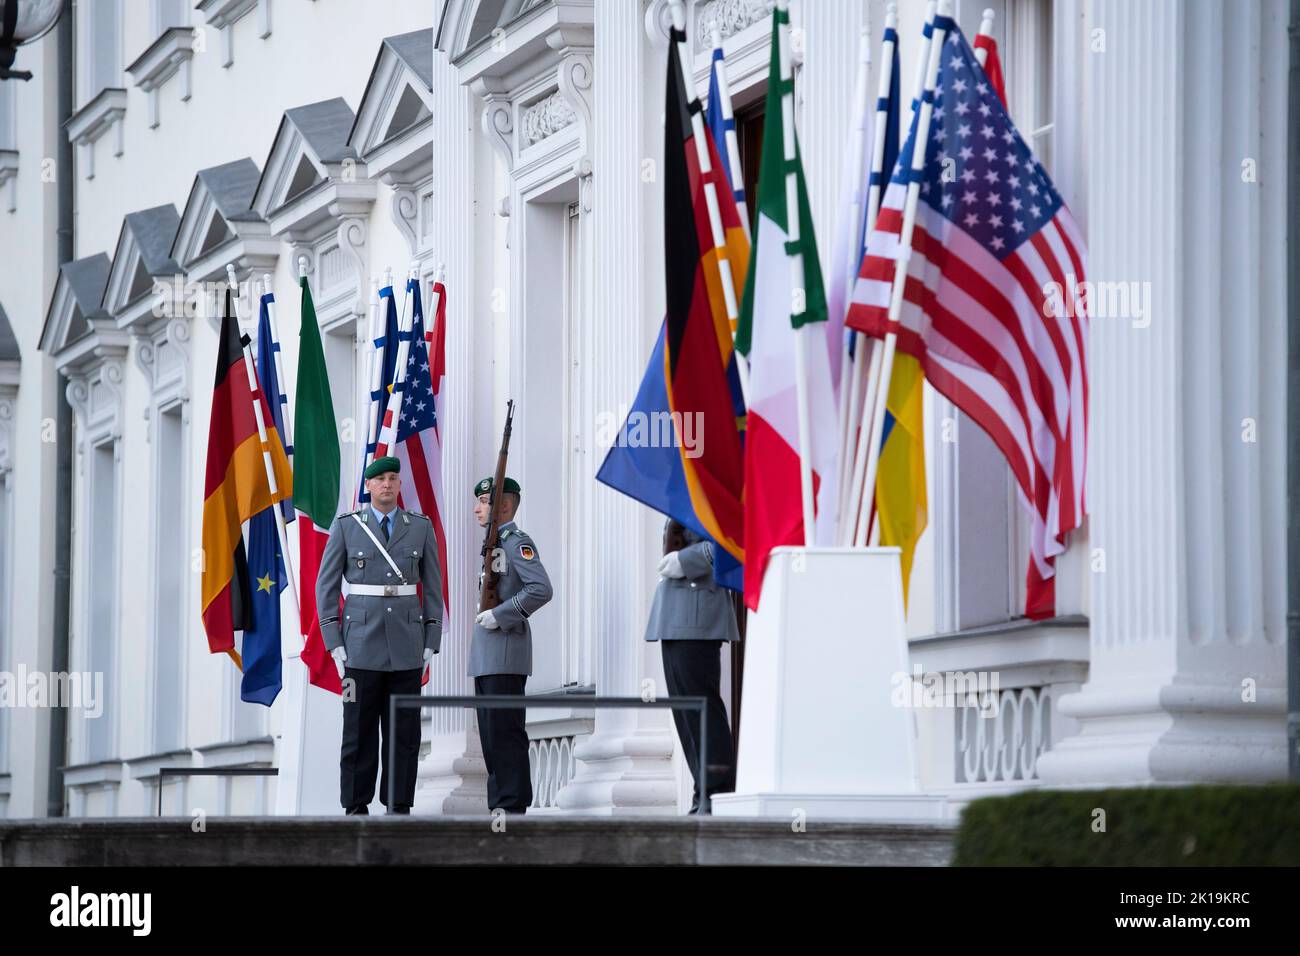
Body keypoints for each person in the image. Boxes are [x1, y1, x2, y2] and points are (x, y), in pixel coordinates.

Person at [316, 456, 443, 815]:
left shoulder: (419, 527)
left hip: (406, 644)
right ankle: (356, 805)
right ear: (368, 487)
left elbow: (433, 586)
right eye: (380, 479)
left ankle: (399, 804)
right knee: (358, 728)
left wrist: (431, 639)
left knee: (404, 732)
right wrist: (334, 642)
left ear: (400, 485)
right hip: (358, 646)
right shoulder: (347, 527)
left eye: (393, 479)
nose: (387, 484)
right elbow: (325, 587)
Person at [471, 475, 553, 814]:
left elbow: (541, 589)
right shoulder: (495, 544)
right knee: (491, 738)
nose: (477, 508)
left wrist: (503, 614)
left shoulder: (517, 542)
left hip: (505, 649)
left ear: (504, 505)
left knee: (504, 734)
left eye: (484, 501)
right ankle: (500, 807)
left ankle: (512, 807)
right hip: (489, 653)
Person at [644, 517, 737, 813]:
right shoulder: (681, 494)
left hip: (698, 615)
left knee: (703, 712)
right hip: (674, 616)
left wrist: (686, 560)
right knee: (687, 716)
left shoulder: (705, 492)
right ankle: (703, 792)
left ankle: (716, 792)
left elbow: (727, 544)